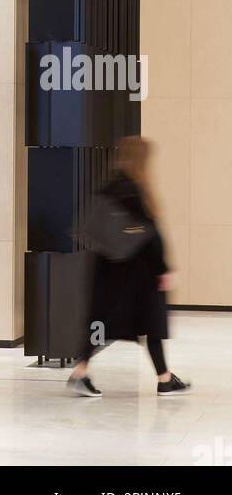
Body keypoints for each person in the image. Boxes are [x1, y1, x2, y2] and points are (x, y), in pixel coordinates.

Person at [67, 135, 191, 398]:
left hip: (107, 267)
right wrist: (163, 269)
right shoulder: (136, 190)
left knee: (100, 320)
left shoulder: (108, 186)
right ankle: (164, 379)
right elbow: (151, 236)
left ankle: (81, 370)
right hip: (138, 271)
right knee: (153, 321)